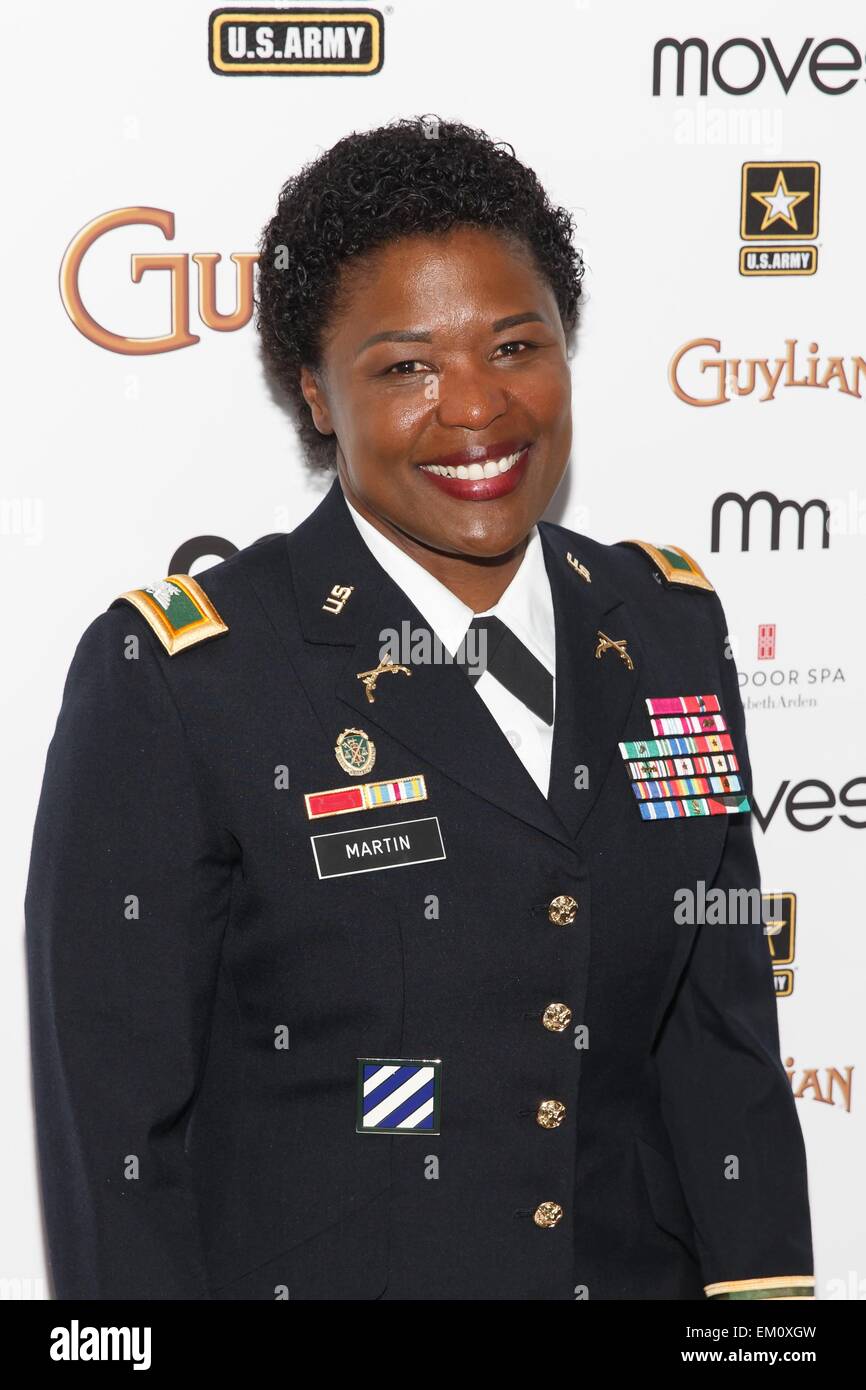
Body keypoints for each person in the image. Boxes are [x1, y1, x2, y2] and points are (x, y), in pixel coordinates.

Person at [25, 116, 814, 1301]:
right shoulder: (184, 679)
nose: (475, 408)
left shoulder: (664, 634)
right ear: (314, 392)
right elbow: (121, 1145)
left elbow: (721, 1053)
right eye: (405, 366)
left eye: (514, 345)